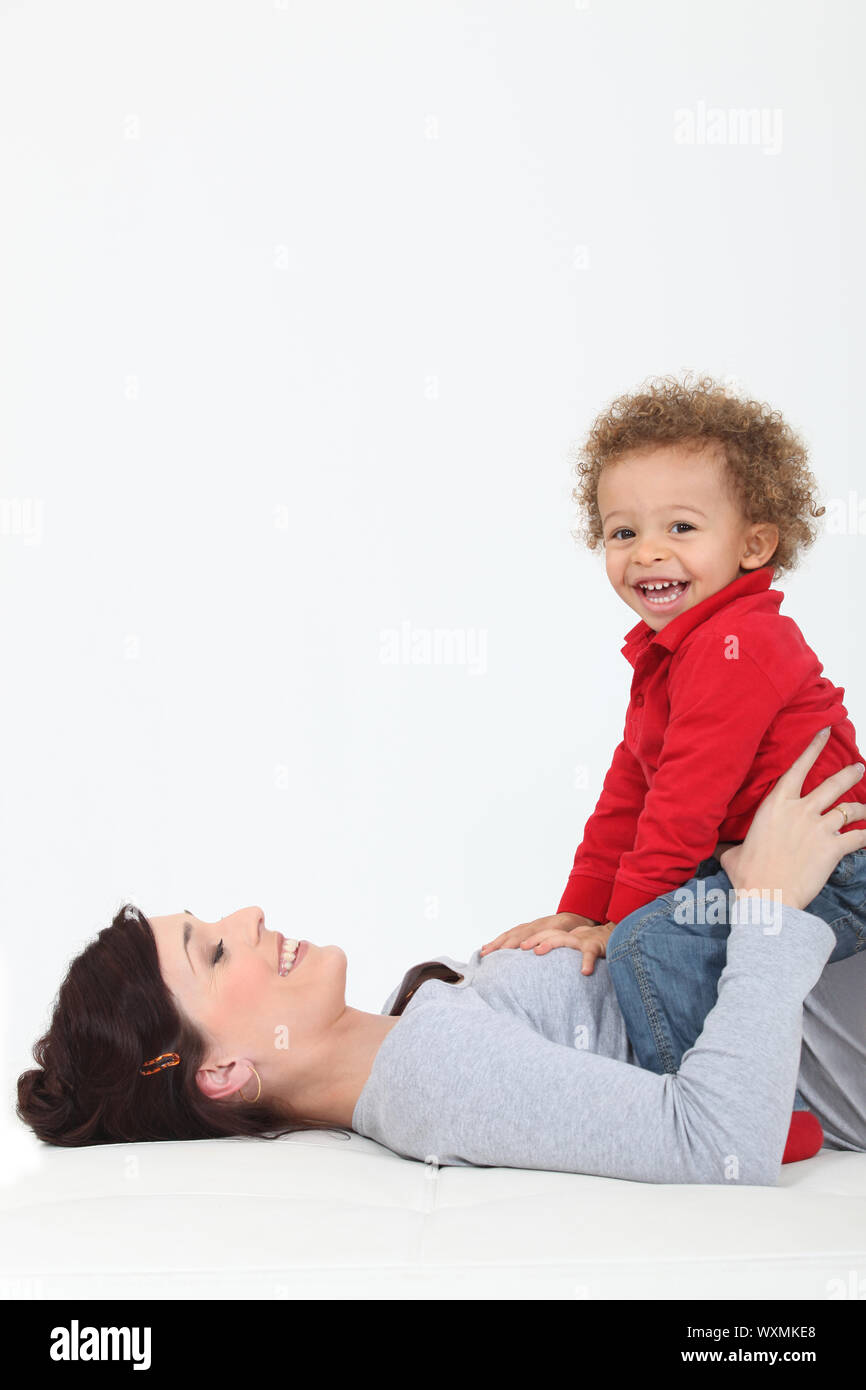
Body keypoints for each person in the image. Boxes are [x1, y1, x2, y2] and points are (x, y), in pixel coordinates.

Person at [16, 731, 866, 1184]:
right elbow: (717, 1140)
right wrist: (764, 909)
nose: (251, 913)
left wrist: (603, 924)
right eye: (212, 951)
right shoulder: (433, 1075)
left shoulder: (420, 1027)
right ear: (222, 1073)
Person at [480, 374, 866, 1150]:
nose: (648, 552)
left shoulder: (738, 646)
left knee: (652, 941)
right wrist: (579, 912)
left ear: (753, 545)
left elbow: (685, 804)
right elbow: (627, 795)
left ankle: (738, 1117)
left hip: (843, 867)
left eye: (681, 528)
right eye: (623, 534)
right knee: (651, 918)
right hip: (752, 864)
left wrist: (618, 923)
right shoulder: (667, 657)